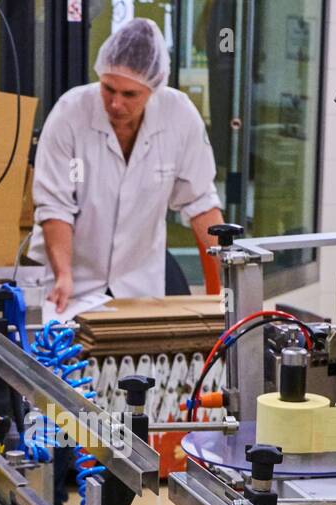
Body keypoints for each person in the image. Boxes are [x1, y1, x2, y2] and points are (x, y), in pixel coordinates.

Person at [29, 18, 224, 315]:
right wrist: (64, 275)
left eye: (130, 94)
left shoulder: (179, 116)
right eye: (109, 88)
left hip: (141, 288)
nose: (116, 103)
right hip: (69, 287)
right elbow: (55, 207)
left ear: (154, 88)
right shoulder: (70, 114)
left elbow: (201, 204)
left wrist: (224, 285)